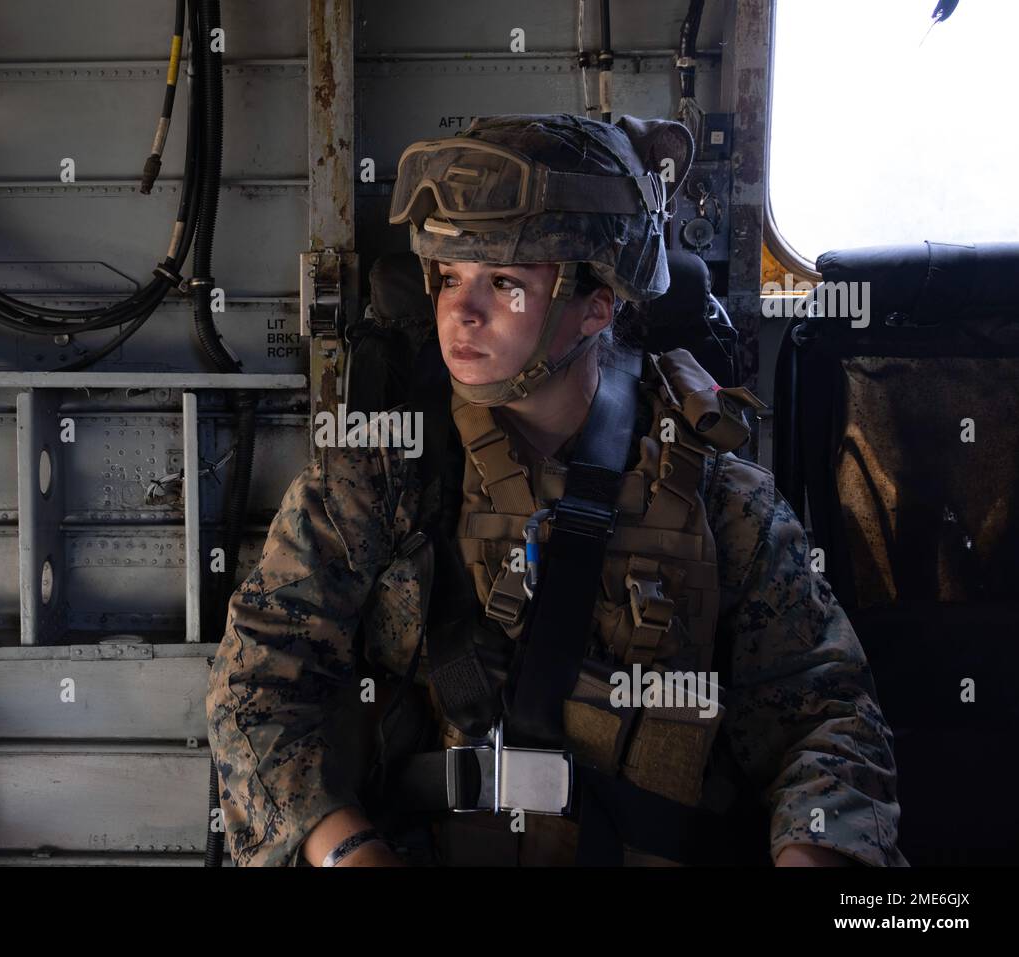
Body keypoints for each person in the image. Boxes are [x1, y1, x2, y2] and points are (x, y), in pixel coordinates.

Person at [206, 113, 906, 868]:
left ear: (597, 303)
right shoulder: (375, 482)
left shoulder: (721, 497)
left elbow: (829, 716)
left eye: (503, 281)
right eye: (447, 277)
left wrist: (813, 851)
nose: (461, 311)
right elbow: (255, 687)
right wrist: (348, 852)